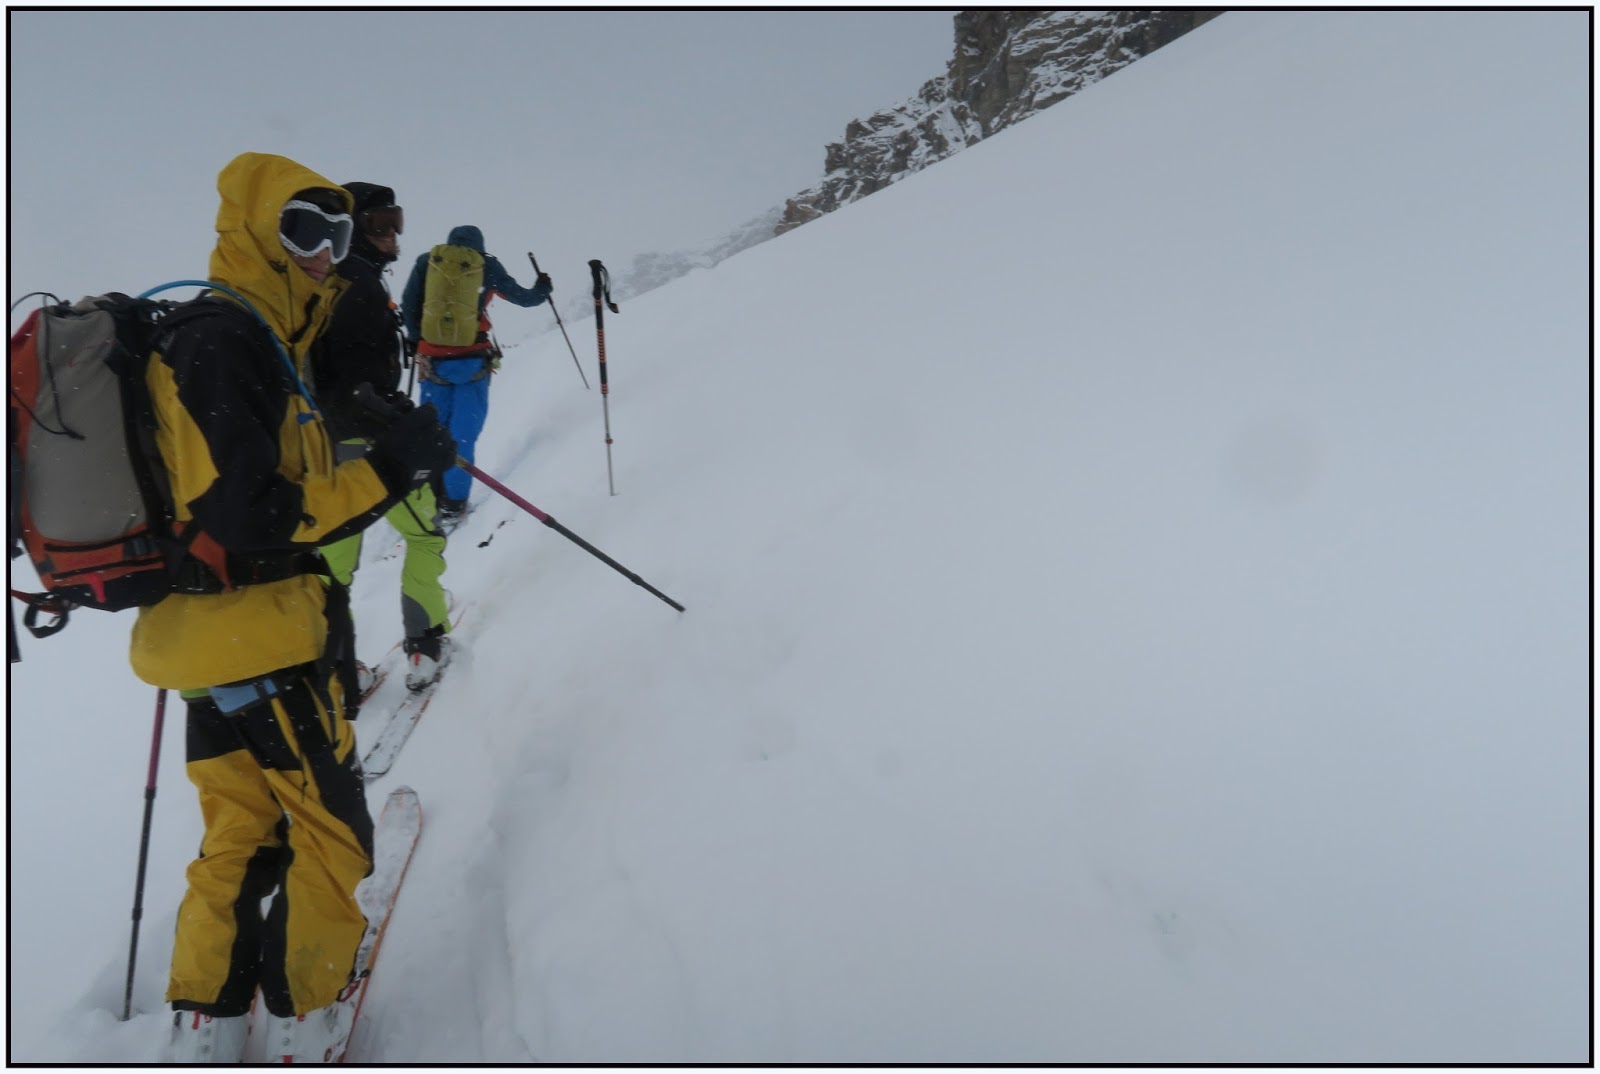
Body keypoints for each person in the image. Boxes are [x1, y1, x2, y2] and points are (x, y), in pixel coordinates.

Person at [128, 151, 456, 1061]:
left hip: (208, 636)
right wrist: (390, 472)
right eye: (302, 230)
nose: (323, 252)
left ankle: (209, 1009)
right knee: (329, 832)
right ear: (253, 234)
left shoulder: (242, 336)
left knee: (240, 826)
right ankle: (307, 1007)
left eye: (339, 233)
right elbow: (252, 513)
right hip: (261, 632)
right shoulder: (226, 336)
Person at [312, 182, 453, 691]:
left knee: (333, 565)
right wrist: (400, 420)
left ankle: (337, 671)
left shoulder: (320, 283)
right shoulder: (361, 287)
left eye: (396, 220)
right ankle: (427, 643)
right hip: (375, 447)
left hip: (328, 447)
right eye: (379, 224)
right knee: (423, 536)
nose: (392, 234)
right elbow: (359, 382)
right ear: (354, 231)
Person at [400, 224, 552, 524]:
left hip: (432, 363)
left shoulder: (428, 262)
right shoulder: (486, 265)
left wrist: (418, 339)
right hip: (473, 363)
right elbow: (525, 298)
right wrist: (542, 288)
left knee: (432, 431)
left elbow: (408, 303)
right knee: (462, 436)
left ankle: (428, 497)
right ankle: (454, 503)